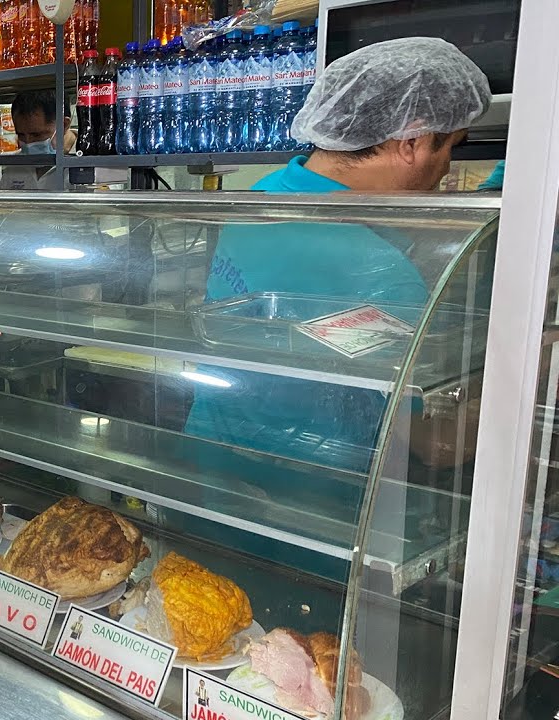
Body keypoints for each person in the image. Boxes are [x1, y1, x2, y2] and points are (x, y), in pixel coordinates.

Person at [182, 38, 492, 578]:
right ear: (413, 142)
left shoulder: (263, 195)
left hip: (210, 475)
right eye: (451, 148)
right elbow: (430, 444)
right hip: (314, 513)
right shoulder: (382, 269)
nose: (445, 168)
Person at [2, 90, 76, 191]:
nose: (28, 143)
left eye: (36, 135)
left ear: (64, 125)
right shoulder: (14, 167)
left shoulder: (95, 164)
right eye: (21, 135)